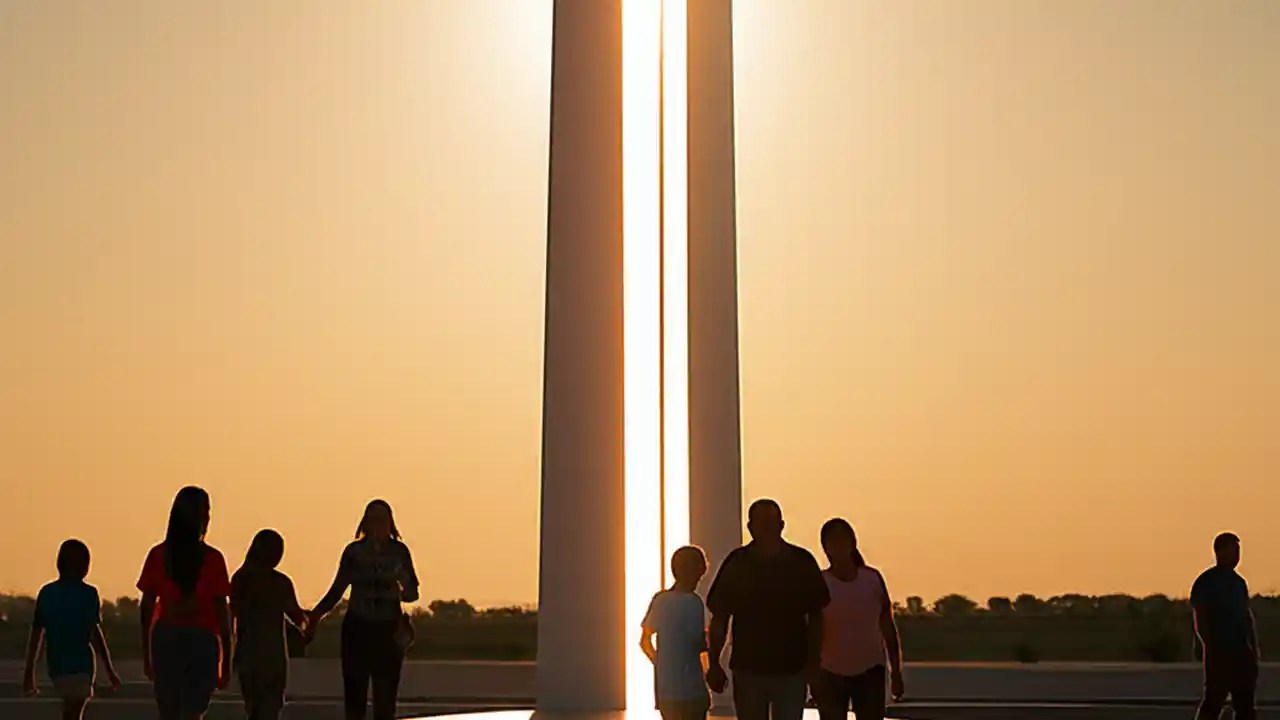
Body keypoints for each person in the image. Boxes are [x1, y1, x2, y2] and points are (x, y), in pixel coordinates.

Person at [706, 499, 830, 720]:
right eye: (761, 523)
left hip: (792, 668)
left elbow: (816, 616)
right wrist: (714, 663)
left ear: (781, 525)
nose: (766, 528)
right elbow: (720, 617)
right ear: (750, 527)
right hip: (748, 669)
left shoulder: (801, 562)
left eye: (770, 523)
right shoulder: (737, 563)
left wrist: (814, 664)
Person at [308, 499, 420, 720]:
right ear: (365, 523)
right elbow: (338, 588)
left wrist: (399, 585)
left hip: (388, 629)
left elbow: (413, 593)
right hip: (358, 628)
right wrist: (315, 615)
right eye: (373, 520)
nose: (378, 525)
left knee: (385, 698)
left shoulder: (399, 552)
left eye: (382, 520)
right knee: (354, 695)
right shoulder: (353, 553)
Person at [138, 486, 233, 720]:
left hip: (168, 638)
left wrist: (146, 652)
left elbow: (147, 607)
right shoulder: (212, 559)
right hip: (199, 641)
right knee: (193, 713)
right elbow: (223, 614)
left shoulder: (159, 555)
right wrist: (227, 659)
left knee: (170, 712)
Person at [812, 519, 904, 720]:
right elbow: (813, 631)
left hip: (870, 671)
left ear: (852, 542)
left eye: (842, 540)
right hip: (830, 672)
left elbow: (887, 626)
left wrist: (895, 671)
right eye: (831, 541)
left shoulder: (871, 579)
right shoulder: (820, 582)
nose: (837, 546)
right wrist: (812, 675)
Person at [22, 539, 123, 720]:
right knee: (73, 709)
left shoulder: (50, 593)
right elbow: (95, 635)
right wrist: (109, 670)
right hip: (72, 664)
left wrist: (29, 672)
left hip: (64, 664)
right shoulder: (84, 594)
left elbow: (37, 635)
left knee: (73, 709)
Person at [231, 529, 308, 720]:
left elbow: (232, 618)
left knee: (253, 709)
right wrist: (309, 621)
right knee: (270, 710)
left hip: (247, 654)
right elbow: (298, 618)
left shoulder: (240, 580)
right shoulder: (280, 583)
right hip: (273, 656)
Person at [1191, 532, 1260, 720]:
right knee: (1213, 702)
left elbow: (1246, 616)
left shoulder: (1239, 583)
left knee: (1245, 705)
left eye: (1239, 550)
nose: (1238, 555)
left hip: (1241, 653)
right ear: (1220, 551)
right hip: (1220, 652)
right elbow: (1201, 617)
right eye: (1234, 550)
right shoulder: (1206, 582)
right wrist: (1210, 647)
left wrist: (1253, 649)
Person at [642, 546, 712, 720]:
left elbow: (645, 641)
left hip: (667, 690)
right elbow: (699, 644)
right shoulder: (695, 602)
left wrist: (661, 663)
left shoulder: (660, 600)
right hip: (693, 688)